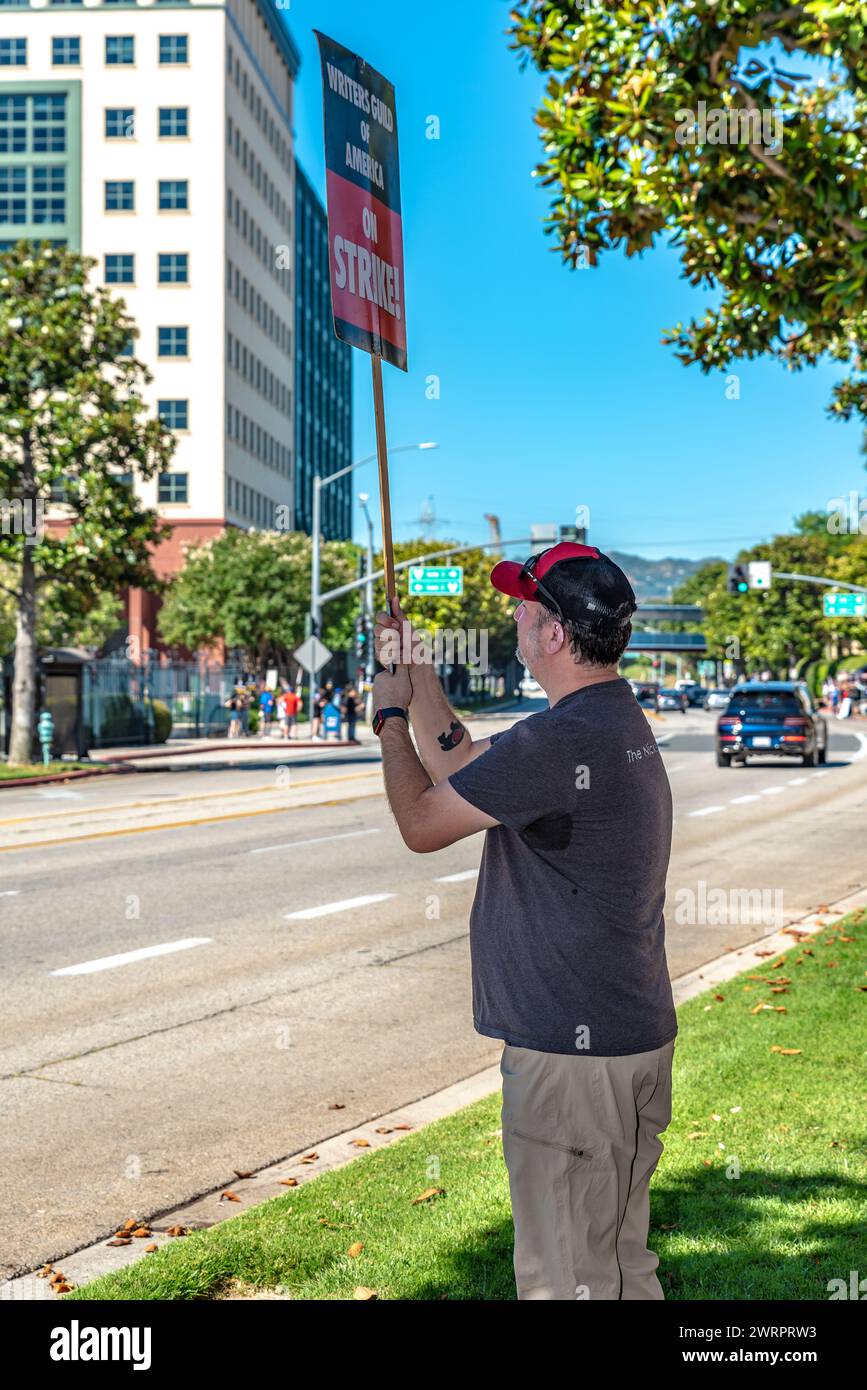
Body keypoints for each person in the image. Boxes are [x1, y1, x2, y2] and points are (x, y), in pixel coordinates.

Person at [372, 541, 677, 1301]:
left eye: (522, 603)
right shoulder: (601, 719)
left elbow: (421, 821)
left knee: (563, 1277)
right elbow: (464, 759)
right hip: (617, 1039)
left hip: (573, 1060)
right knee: (614, 1266)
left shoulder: (563, 739)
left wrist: (383, 716)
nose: (511, 613)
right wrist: (421, 686)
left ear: (553, 635)